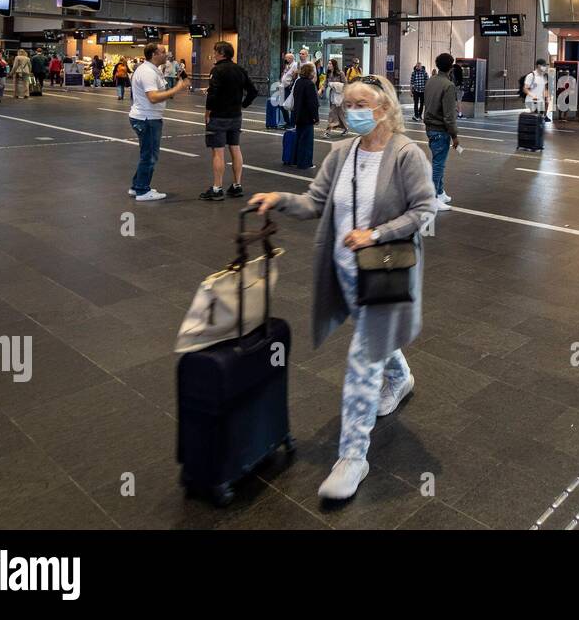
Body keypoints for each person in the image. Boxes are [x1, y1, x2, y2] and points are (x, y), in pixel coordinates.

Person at [248, 76, 436, 501]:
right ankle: (400, 377)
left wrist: (376, 234)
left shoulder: (407, 154)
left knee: (361, 360)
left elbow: (425, 209)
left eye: (361, 103)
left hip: (383, 272)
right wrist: (279, 199)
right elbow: (315, 203)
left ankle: (353, 456)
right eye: (347, 103)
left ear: (384, 108)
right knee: (374, 340)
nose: (352, 111)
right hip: (345, 273)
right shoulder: (341, 153)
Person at [127, 43, 189, 201]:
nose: (166, 54)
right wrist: (178, 88)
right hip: (147, 119)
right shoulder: (147, 72)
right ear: (154, 54)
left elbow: (159, 92)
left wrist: (178, 82)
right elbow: (153, 97)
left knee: (146, 154)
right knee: (149, 156)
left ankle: (137, 186)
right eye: (163, 52)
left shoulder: (153, 70)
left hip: (148, 117)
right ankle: (142, 191)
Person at [200, 41, 259, 201]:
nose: (213, 54)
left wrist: (207, 112)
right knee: (235, 148)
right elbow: (253, 91)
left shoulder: (217, 70)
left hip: (219, 116)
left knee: (218, 152)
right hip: (235, 116)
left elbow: (213, 93)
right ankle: (237, 185)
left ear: (221, 53)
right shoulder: (240, 69)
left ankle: (217, 188)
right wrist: (243, 105)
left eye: (215, 51)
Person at [422, 53, 458, 212]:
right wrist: (454, 135)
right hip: (440, 130)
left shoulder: (431, 81)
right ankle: (432, 198)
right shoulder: (448, 85)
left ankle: (440, 192)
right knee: (438, 164)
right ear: (451, 67)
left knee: (438, 161)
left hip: (430, 128)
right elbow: (449, 115)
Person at [290, 63, 320, 170]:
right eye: (313, 72)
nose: (314, 74)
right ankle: (305, 163)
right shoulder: (310, 85)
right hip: (307, 117)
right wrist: (316, 117)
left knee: (298, 139)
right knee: (307, 141)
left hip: (298, 114)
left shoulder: (298, 82)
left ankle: (295, 160)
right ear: (309, 73)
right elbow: (313, 103)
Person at [324, 61, 346, 136]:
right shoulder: (328, 73)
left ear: (334, 65)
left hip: (340, 96)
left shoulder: (340, 73)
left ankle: (345, 128)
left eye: (330, 63)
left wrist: (335, 85)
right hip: (332, 96)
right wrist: (321, 89)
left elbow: (345, 84)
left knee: (340, 113)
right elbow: (325, 83)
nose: (328, 65)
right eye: (328, 63)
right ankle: (328, 131)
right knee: (332, 113)